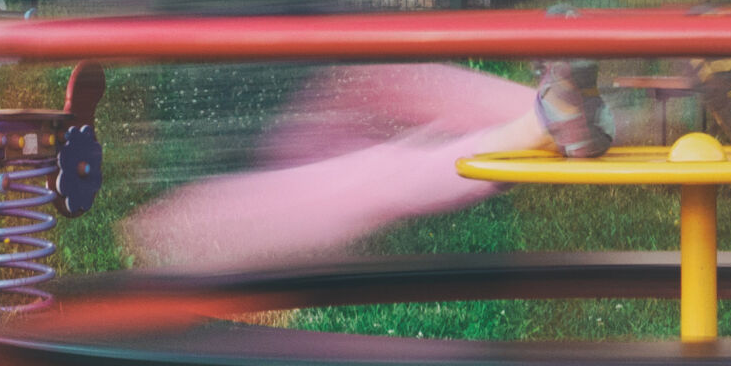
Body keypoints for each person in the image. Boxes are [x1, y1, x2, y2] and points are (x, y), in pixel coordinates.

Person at [124, 59, 613, 271]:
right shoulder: (169, 221)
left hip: (280, 128)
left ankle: (576, 110)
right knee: (376, 176)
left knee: (396, 82)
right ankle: (539, 124)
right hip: (211, 214)